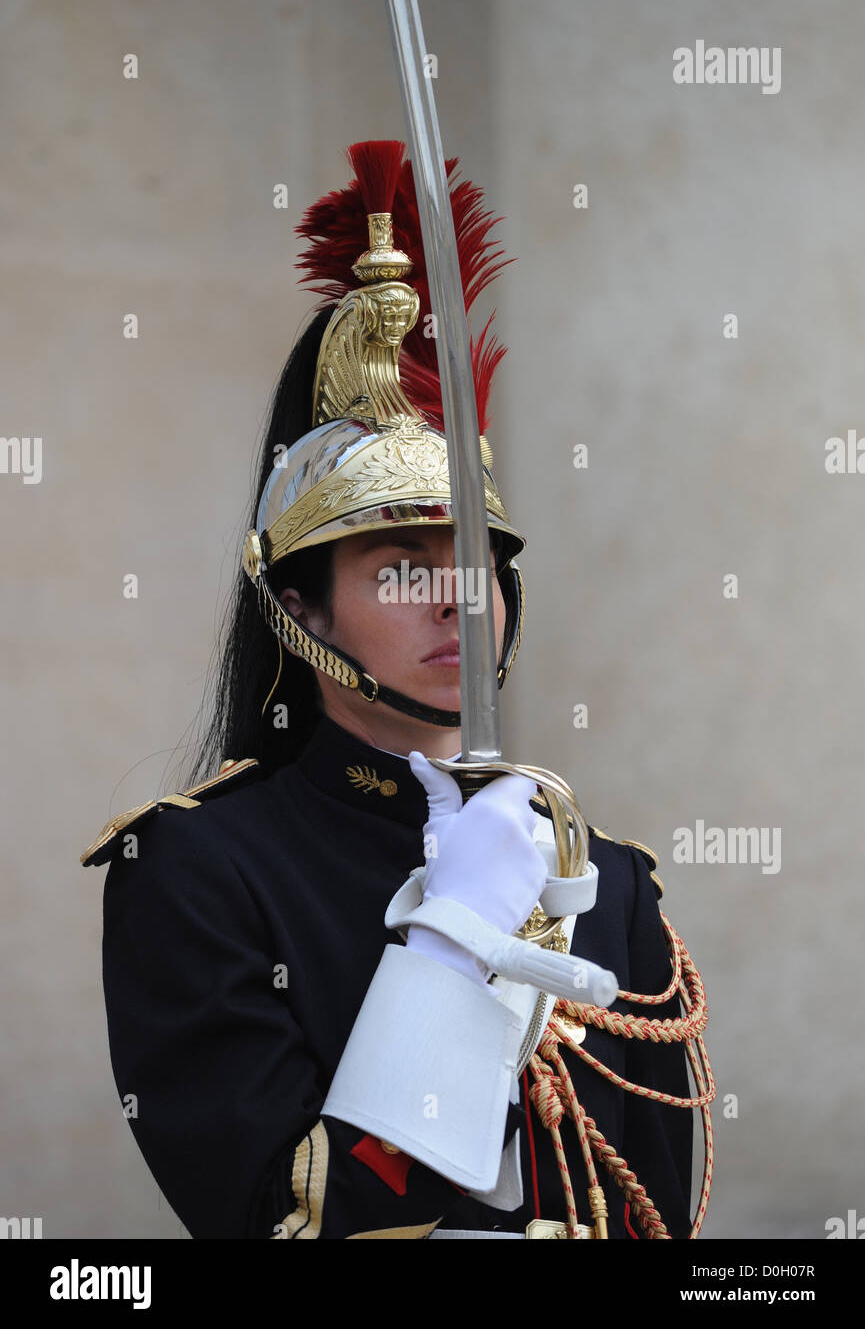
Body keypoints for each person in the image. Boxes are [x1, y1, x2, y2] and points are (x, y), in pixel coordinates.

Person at [82, 142, 712, 1240]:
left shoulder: (606, 878)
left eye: (475, 563)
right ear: (303, 608)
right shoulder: (195, 867)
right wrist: (454, 949)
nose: (454, 600)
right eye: (401, 567)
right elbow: (288, 1219)